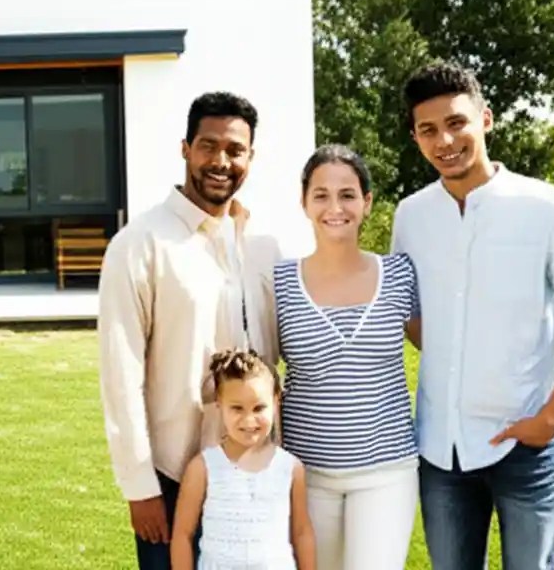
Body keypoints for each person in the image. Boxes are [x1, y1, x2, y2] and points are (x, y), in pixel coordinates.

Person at [391, 62, 554, 570]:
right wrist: (459, 353)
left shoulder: (548, 208)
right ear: (416, 138)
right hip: (439, 448)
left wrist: (552, 416)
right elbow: (411, 310)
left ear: (485, 120)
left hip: (526, 449)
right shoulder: (410, 216)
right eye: (428, 130)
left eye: (456, 123)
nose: (444, 140)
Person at [98, 91, 283, 570]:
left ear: (251, 157)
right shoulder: (139, 245)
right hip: (172, 478)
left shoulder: (263, 249)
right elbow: (121, 376)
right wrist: (140, 488)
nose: (221, 162)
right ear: (185, 148)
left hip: (253, 475)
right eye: (208, 146)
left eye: (235, 150)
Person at [272, 144, 421, 570]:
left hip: (386, 472)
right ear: (304, 203)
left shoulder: (399, 274)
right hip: (307, 475)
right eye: (320, 195)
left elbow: (442, 344)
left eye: (347, 194)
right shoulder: (280, 280)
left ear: (367, 202)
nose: (334, 207)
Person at [170, 347, 316, 570]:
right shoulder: (203, 468)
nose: (249, 421)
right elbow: (182, 534)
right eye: (237, 408)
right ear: (219, 402)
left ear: (276, 401)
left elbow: (302, 532)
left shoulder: (290, 468)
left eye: (259, 408)